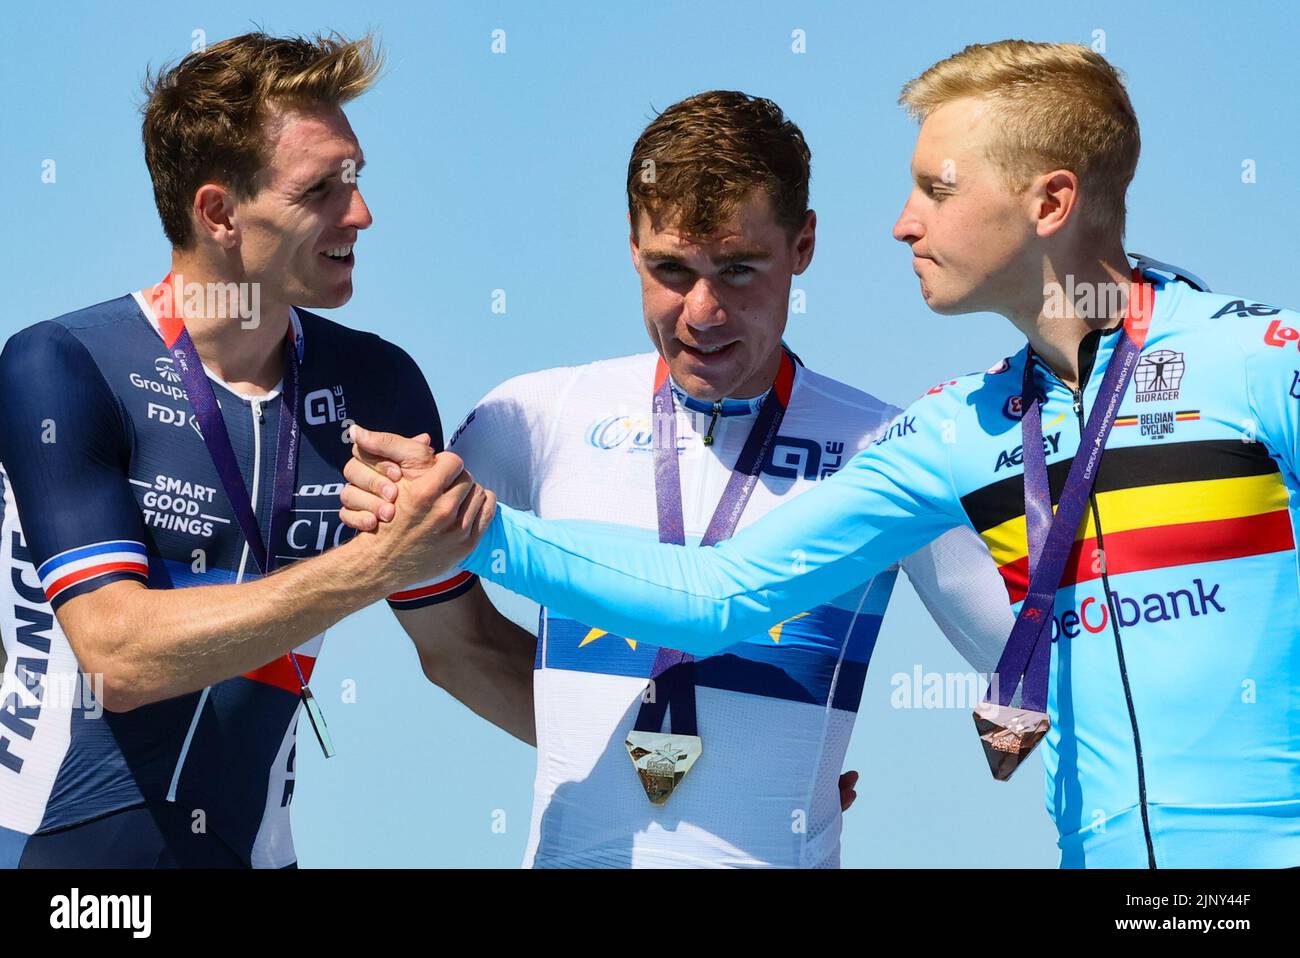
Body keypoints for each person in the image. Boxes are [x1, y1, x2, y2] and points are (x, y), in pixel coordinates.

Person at [354, 41, 1300, 868]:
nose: (902, 222)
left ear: (1050, 201)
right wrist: (471, 530)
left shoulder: (1250, 365)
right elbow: (718, 595)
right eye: (671, 269)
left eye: (937, 188)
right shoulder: (957, 430)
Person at [340, 91, 1012, 868]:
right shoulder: (537, 414)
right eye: (670, 269)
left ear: (803, 246)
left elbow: (1040, 665)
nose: (702, 312)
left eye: (737, 271)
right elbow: (447, 646)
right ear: (631, 245)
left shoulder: (886, 446)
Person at [0, 31, 499, 868]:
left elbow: (463, 650)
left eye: (357, 178)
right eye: (320, 190)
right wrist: (370, 568)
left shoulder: (378, 386)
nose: (360, 214)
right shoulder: (62, 365)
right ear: (218, 212)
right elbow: (118, 656)